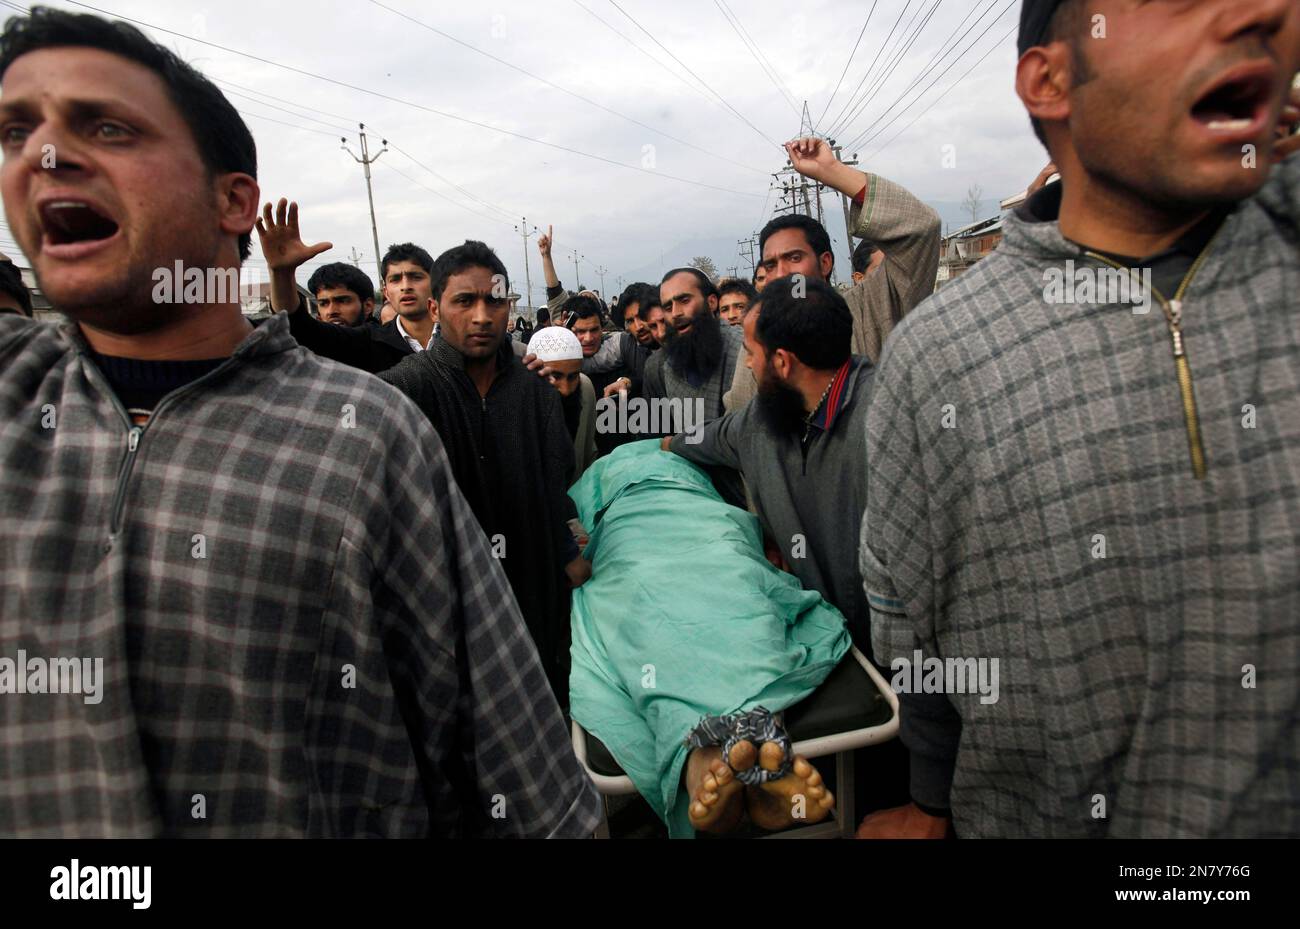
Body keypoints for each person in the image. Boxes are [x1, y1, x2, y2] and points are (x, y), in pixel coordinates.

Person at [0, 5, 600, 838]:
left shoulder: (368, 436)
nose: (46, 155)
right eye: (15, 131)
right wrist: (287, 290)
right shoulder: (18, 399)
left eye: (107, 128)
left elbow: (520, 774)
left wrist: (567, 547)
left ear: (232, 198)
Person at [858, 0, 1300, 839]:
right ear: (1050, 80)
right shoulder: (938, 358)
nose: (1264, 12)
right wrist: (931, 794)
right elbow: (908, 622)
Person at [376, 241, 591, 706]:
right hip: (446, 602)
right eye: (464, 301)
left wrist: (565, 551)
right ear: (435, 308)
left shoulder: (536, 390)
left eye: (494, 301)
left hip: (533, 589)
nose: (481, 316)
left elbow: (554, 482)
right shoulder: (406, 387)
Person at [725, 139, 941, 411]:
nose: (780, 273)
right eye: (770, 265)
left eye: (794, 258)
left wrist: (832, 171)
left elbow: (921, 227)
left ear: (825, 262)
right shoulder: (758, 337)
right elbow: (740, 417)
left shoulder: (869, 307)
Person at [642, 267, 743, 431]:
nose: (675, 313)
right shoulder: (662, 365)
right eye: (668, 307)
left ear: (711, 302)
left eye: (684, 301)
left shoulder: (744, 350)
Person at [528, 324, 598, 481]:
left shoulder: (585, 388)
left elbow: (586, 451)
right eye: (555, 377)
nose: (566, 390)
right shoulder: (521, 397)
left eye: (573, 377)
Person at [305, 261, 375, 327]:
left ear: (368, 306)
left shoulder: (379, 334)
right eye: (323, 304)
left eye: (343, 301)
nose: (331, 311)